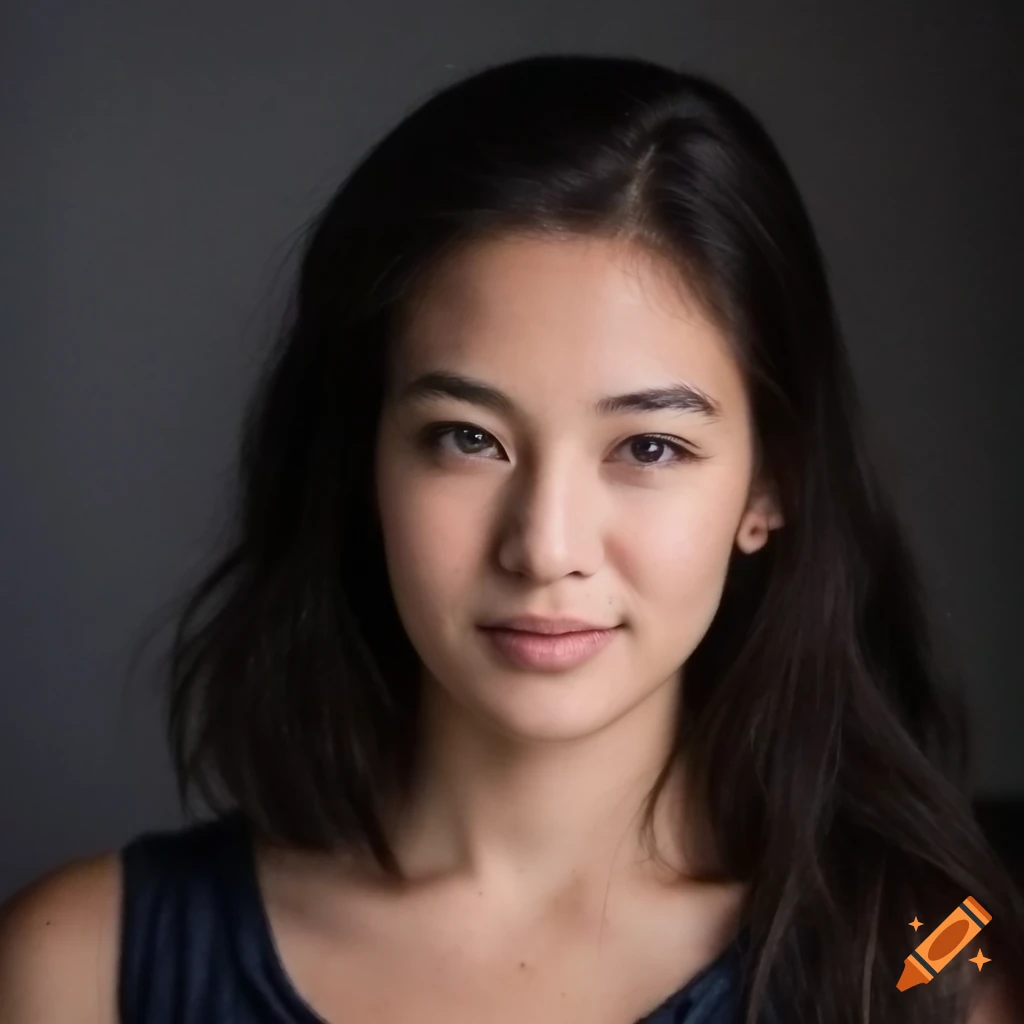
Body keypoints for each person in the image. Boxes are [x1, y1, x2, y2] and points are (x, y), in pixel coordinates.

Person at [0, 53, 1021, 1024]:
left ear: (769, 485)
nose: (543, 546)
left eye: (650, 447)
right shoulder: (82, 961)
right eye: (467, 438)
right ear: (360, 459)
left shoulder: (934, 948)